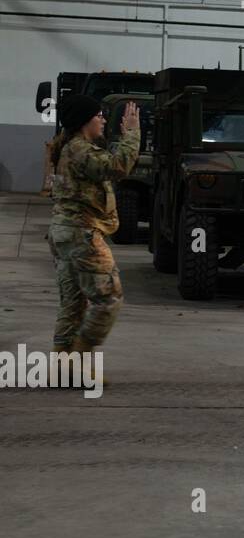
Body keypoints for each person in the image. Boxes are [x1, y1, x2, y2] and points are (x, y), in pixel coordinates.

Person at [46, 95, 140, 360]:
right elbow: (118, 166)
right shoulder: (80, 149)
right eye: (98, 115)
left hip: (65, 233)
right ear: (84, 121)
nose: (103, 120)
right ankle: (78, 358)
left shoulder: (70, 148)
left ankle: (62, 363)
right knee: (109, 298)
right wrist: (132, 133)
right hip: (82, 234)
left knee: (73, 304)